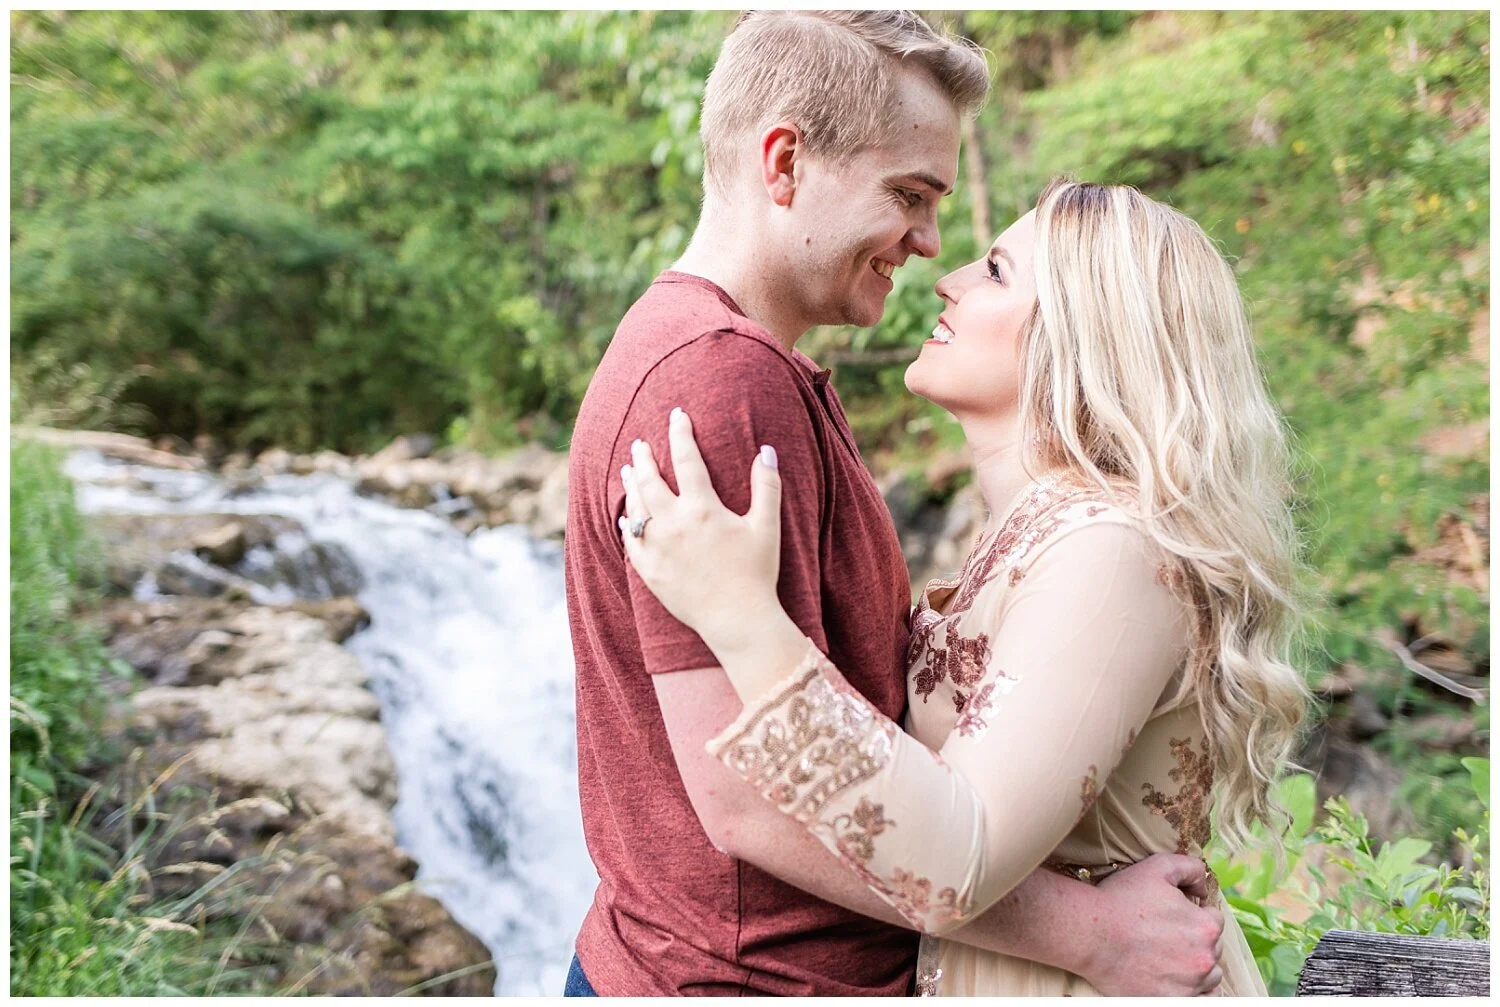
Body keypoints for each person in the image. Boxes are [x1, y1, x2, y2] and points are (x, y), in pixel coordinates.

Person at [564, 12, 1228, 997]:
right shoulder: (719, 378)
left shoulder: (750, 369)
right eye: (909, 196)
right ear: (783, 162)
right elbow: (748, 792)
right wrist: (1086, 931)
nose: (931, 246)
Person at [616, 178, 1310, 995]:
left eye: (998, 272)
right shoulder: (1041, 529)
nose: (948, 278)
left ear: (1084, 337)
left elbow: (957, 857)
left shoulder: (1111, 548)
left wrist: (740, 618)